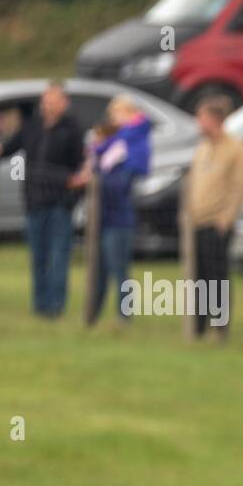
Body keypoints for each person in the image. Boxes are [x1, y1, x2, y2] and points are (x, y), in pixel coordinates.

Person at [0, 82, 86, 318]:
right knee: (38, 255)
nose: (49, 105)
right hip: (34, 201)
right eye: (46, 100)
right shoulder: (32, 126)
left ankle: (56, 307)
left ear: (64, 103)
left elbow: (81, 167)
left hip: (60, 203)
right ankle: (40, 305)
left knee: (58, 256)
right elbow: (12, 146)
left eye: (54, 100)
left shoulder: (73, 130)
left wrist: (75, 187)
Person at [185, 95, 243, 338]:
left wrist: (226, 219)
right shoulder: (203, 148)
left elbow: (238, 187)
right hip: (198, 221)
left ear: (214, 119)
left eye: (202, 118)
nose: (198, 123)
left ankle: (220, 327)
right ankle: (198, 327)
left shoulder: (237, 149)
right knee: (199, 277)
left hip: (217, 224)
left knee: (217, 277)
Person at [82, 95, 151, 324]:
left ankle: (125, 316)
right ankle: (93, 314)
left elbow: (124, 181)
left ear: (130, 114)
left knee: (119, 268)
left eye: (117, 114)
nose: (112, 119)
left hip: (120, 216)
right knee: (99, 268)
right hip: (103, 214)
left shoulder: (135, 143)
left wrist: (98, 178)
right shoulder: (113, 142)